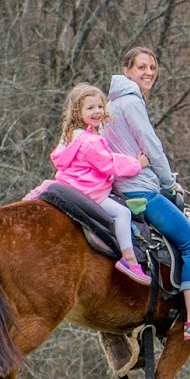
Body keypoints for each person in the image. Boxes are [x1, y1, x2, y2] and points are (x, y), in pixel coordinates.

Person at [104, 46, 190, 340]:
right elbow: (152, 147)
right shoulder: (131, 103)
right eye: (142, 67)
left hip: (121, 191)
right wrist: (169, 183)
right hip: (143, 193)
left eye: (153, 68)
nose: (149, 73)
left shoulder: (111, 105)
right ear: (127, 70)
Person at [26, 83, 151, 286]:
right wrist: (137, 163)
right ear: (78, 112)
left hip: (69, 184)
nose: (97, 112)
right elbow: (109, 164)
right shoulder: (91, 141)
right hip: (90, 190)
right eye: (90, 108)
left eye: (100, 106)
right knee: (123, 213)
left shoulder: (70, 137)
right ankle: (129, 259)